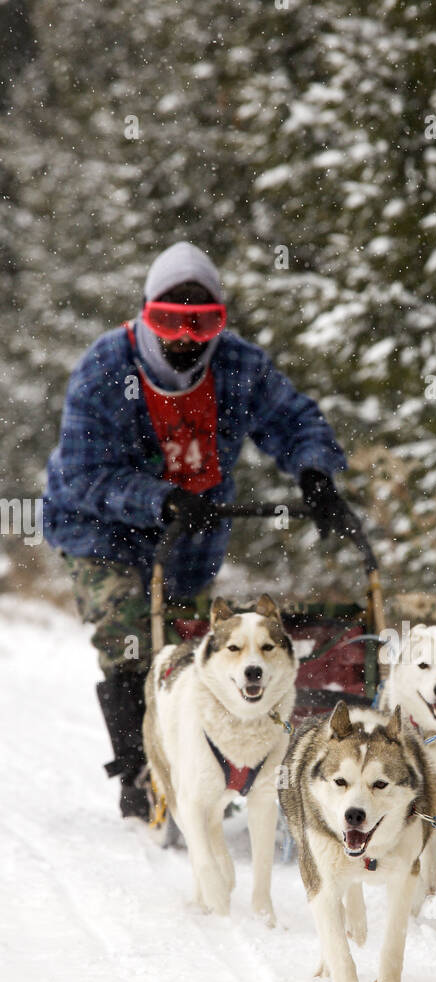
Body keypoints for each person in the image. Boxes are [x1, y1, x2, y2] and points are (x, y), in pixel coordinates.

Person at [42, 241, 359, 819]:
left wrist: (315, 473)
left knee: (191, 645)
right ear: (144, 314)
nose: (186, 340)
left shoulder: (237, 366)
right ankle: (138, 771)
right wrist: (159, 499)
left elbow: (293, 418)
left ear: (220, 323)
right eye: (169, 322)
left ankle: (201, 764)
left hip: (192, 529)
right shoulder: (106, 369)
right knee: (131, 636)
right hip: (99, 526)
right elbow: (86, 474)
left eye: (203, 324)